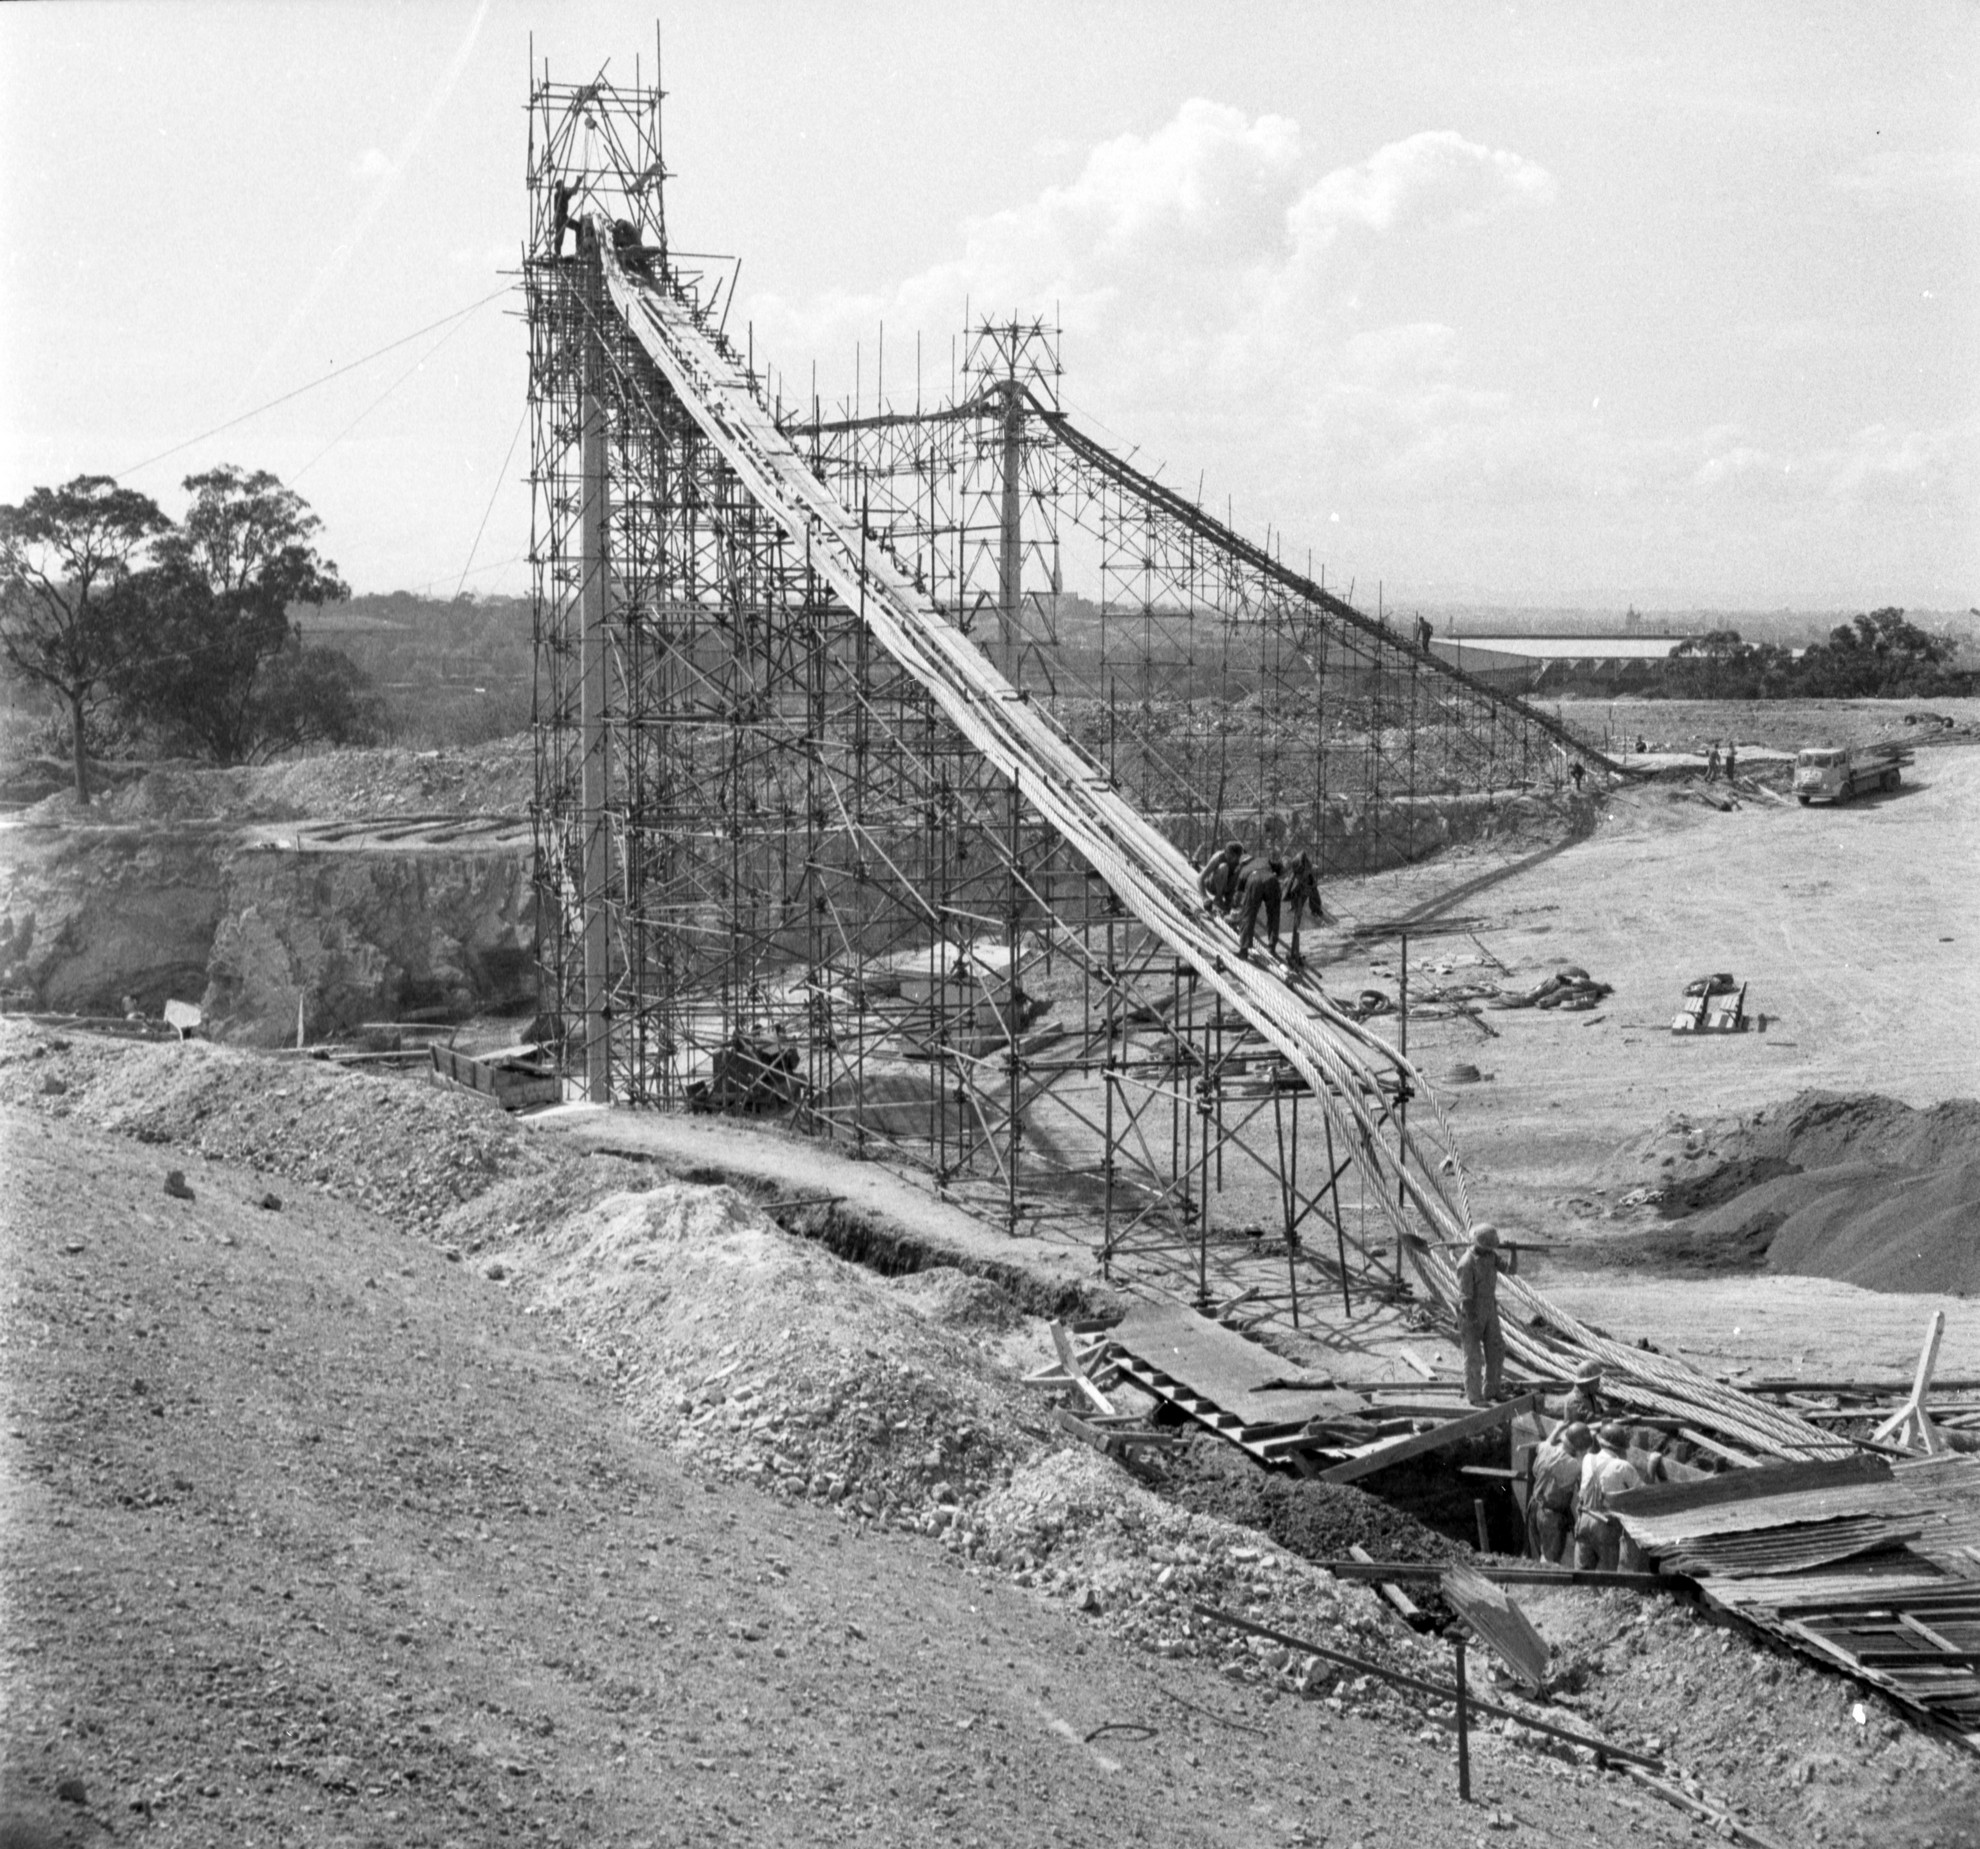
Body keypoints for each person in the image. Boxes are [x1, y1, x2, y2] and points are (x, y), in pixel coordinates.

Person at [1574, 1423, 1642, 1571]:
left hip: (1584, 1519)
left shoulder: (1588, 1459)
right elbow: (1643, 1495)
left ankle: (1588, 1593)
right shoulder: (1623, 1467)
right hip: (1606, 1524)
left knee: (1582, 1572)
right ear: (1621, 1448)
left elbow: (1592, 1451)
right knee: (1607, 1575)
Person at [1527, 1422, 1593, 1563]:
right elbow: (1586, 1464)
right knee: (1549, 1561)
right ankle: (1544, 1584)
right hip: (1550, 1516)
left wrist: (1557, 1428)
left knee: (1540, 1554)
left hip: (1534, 1508)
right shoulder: (1573, 1465)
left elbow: (1546, 1443)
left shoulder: (1546, 1449)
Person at [1455, 1224, 1506, 1405]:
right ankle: (1475, 1396)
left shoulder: (1491, 1256)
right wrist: (1474, 1320)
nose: (1490, 1251)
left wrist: (1514, 1251)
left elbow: (1510, 1269)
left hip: (1489, 1309)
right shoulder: (1467, 1263)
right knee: (1474, 1357)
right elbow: (1465, 1298)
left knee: (1497, 1348)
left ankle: (1492, 1389)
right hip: (1471, 1313)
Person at [1235, 854, 1285, 957]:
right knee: (1273, 915)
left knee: (1248, 915)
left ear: (1242, 863)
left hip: (1254, 881)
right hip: (1271, 879)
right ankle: (1271, 947)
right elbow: (1280, 869)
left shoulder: (1243, 871)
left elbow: (1238, 896)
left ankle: (1244, 950)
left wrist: (1235, 907)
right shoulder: (1263, 858)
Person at [1282, 849, 1322, 966]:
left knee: (1297, 925)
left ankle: (1295, 952)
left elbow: (1314, 892)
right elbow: (1290, 888)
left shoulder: (1309, 876)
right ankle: (1294, 952)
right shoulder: (1296, 876)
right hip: (1298, 895)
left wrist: (1316, 909)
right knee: (1296, 924)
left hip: (1304, 892)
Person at [1198, 841, 1245, 917]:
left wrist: (1236, 903)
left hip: (1226, 888)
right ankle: (1218, 899)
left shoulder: (1241, 863)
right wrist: (1204, 897)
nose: (1230, 859)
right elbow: (1200, 878)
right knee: (1223, 867)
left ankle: (1229, 903)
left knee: (1241, 873)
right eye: (1228, 855)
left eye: (1233, 857)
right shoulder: (1219, 857)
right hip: (1212, 885)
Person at [1563, 1358, 1605, 1428]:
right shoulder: (1573, 1400)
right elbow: (1590, 1419)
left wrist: (1616, 1411)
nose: (1598, 1385)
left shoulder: (1589, 1396)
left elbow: (1599, 1412)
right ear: (1588, 1383)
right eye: (1597, 1382)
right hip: (1577, 1437)